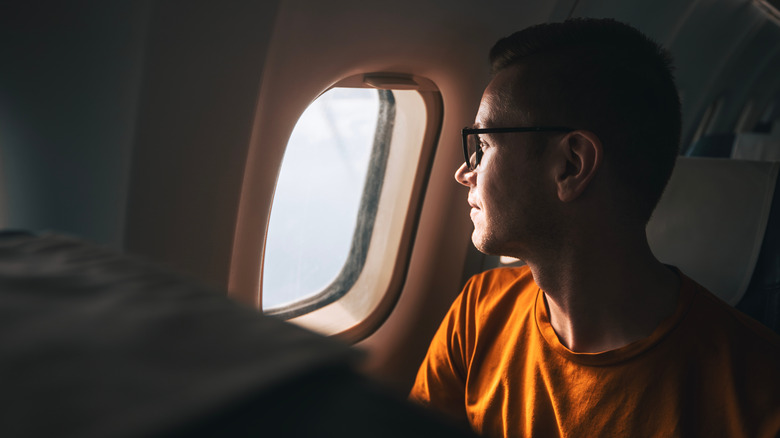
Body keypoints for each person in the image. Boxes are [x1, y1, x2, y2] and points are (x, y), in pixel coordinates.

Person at [409, 18, 780, 437]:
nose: (464, 173)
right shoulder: (478, 314)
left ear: (572, 165)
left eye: (484, 145)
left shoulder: (759, 394)